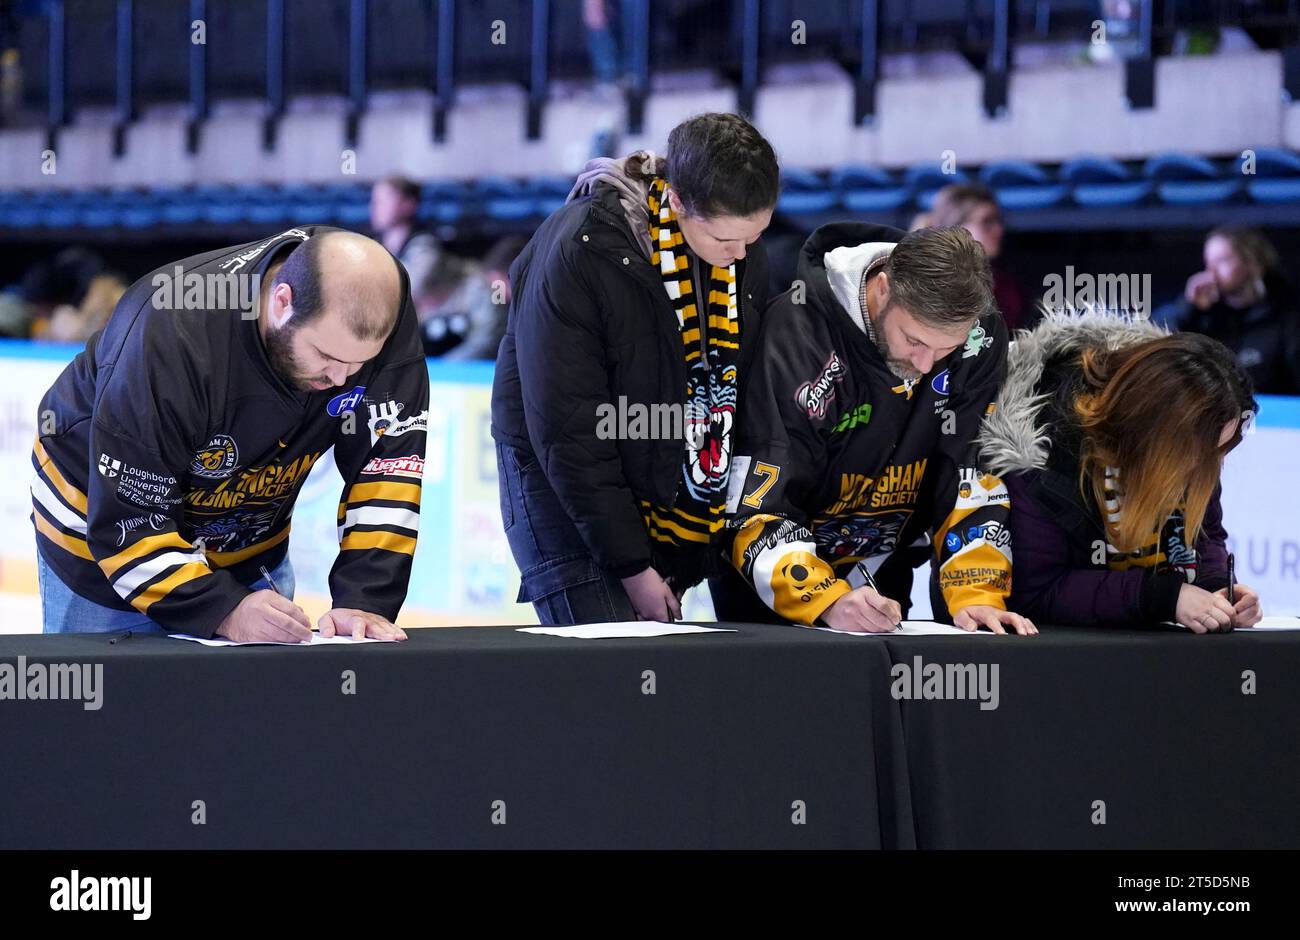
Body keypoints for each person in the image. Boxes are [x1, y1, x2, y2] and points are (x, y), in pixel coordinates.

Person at [31, 227, 429, 640]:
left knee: (249, 702)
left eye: (360, 364)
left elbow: (387, 470)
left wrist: (364, 599)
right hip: (104, 536)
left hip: (246, 540)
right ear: (281, 302)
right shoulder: (173, 331)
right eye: (325, 355)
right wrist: (222, 610)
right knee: (107, 702)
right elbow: (125, 524)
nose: (342, 377)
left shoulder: (379, 307)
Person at [492, 112, 778, 625]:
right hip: (559, 479)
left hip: (661, 475)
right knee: (609, 671)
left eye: (755, 237)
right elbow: (569, 429)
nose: (740, 256)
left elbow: (735, 398)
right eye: (726, 241)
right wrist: (632, 567)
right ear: (675, 201)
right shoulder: (581, 248)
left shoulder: (735, 250)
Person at [718, 224, 1035, 636]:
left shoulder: (980, 337)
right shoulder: (793, 334)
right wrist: (825, 598)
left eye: (945, 351)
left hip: (884, 572)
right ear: (882, 288)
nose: (925, 366)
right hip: (770, 586)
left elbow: (969, 471)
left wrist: (976, 593)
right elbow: (758, 503)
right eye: (913, 340)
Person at [978, 310, 1263, 632]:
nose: (1202, 464)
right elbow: (1036, 593)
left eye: (1219, 449)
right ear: (1152, 433)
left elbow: (1204, 535)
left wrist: (1218, 590)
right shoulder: (1043, 454)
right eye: (1195, 453)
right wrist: (1164, 598)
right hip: (1040, 658)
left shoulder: (1199, 439)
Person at [1169, 225, 1299, 395]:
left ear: (1252, 262)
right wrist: (1189, 306)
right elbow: (1160, 340)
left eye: (1222, 260)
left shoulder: (1288, 314)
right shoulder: (1201, 314)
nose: (1211, 272)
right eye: (1208, 262)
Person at [926, 183, 1030, 333]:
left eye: (998, 221)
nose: (998, 230)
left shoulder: (1007, 286)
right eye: (987, 222)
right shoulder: (928, 285)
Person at [370, 174, 443, 302]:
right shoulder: (372, 246)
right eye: (375, 201)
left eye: (384, 201)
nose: (375, 207)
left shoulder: (425, 247)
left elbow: (409, 291)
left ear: (408, 205)